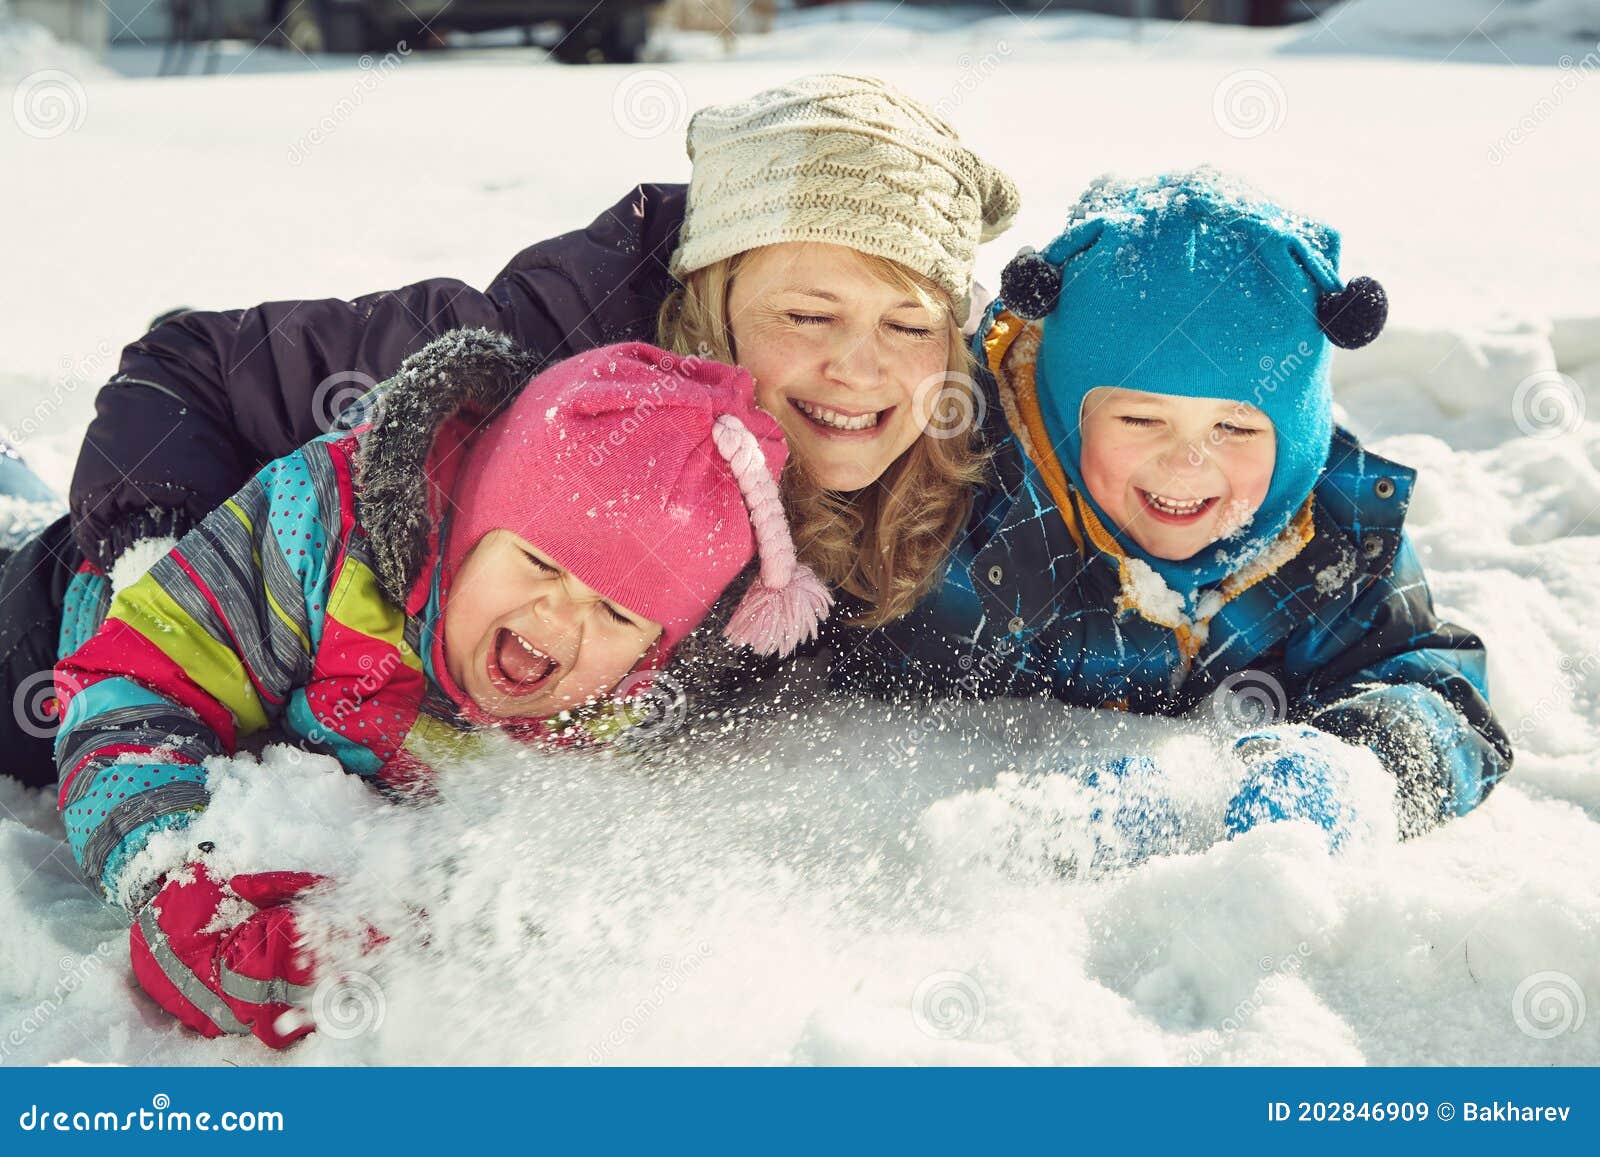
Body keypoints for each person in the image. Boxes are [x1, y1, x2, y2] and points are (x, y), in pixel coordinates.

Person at [0, 72, 1020, 785]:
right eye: (808, 316)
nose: (863, 367)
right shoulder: (520, 365)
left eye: (909, 324)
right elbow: (188, 367)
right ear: (711, 292)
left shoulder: (918, 467)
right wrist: (159, 587)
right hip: (64, 651)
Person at [49, 330, 828, 1048]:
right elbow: (139, 680)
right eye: (537, 563)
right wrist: (168, 862)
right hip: (78, 626)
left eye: (617, 610)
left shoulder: (626, 703)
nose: (559, 614)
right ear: (467, 524)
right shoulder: (318, 532)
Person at [833, 169, 1512, 844]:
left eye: (1236, 428)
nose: (1187, 463)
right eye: (1139, 421)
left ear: (1299, 436)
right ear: (1064, 414)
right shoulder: (952, 508)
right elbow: (820, 628)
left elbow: (1436, 686)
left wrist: (1361, 766)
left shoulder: (1337, 535)